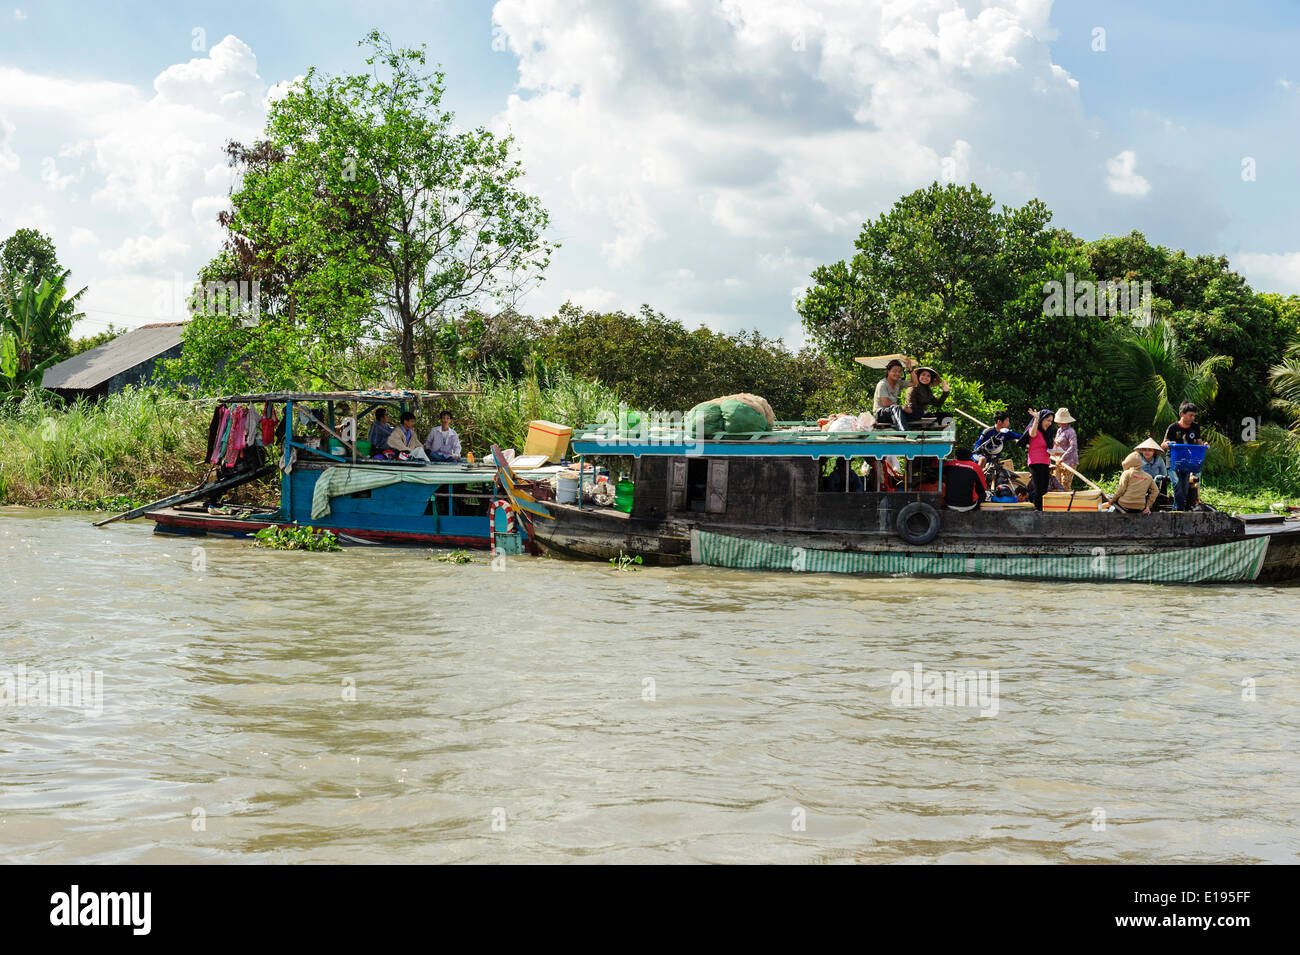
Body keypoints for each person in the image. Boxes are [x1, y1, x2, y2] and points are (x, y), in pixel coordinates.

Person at [1162, 401, 1208, 511]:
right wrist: (1168, 444)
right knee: (1177, 484)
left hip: (1187, 461)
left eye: (1194, 416)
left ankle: (1176, 512)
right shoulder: (1172, 427)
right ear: (1182, 414)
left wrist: (1205, 445)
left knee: (1185, 487)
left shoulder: (1195, 427)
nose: (1193, 418)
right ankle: (1180, 511)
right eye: (1190, 415)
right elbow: (1163, 444)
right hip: (1173, 461)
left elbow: (1199, 444)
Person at [1017, 409, 1056, 511]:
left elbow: (1050, 448)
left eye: (1051, 421)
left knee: (1044, 489)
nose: (1049, 423)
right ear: (1042, 419)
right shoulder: (1034, 429)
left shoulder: (1047, 433)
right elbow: (1032, 434)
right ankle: (1037, 510)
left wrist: (1053, 452)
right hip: (1035, 462)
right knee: (1038, 488)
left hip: (1045, 462)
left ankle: (1041, 509)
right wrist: (1036, 420)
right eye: (1047, 420)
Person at [873, 359, 909, 429]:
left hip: (893, 412)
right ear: (888, 371)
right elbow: (885, 403)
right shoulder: (882, 384)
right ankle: (904, 432)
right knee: (897, 408)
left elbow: (915, 383)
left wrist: (910, 369)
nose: (897, 374)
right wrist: (902, 407)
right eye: (894, 371)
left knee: (913, 409)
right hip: (881, 414)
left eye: (899, 372)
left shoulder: (898, 383)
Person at [1050, 407, 1078, 490]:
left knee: (1065, 483)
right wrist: (1051, 452)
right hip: (1058, 460)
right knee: (1055, 481)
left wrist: (1062, 458)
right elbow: (1056, 444)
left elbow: (1073, 447)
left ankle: (1065, 501)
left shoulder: (1071, 432)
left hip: (1070, 461)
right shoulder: (1059, 430)